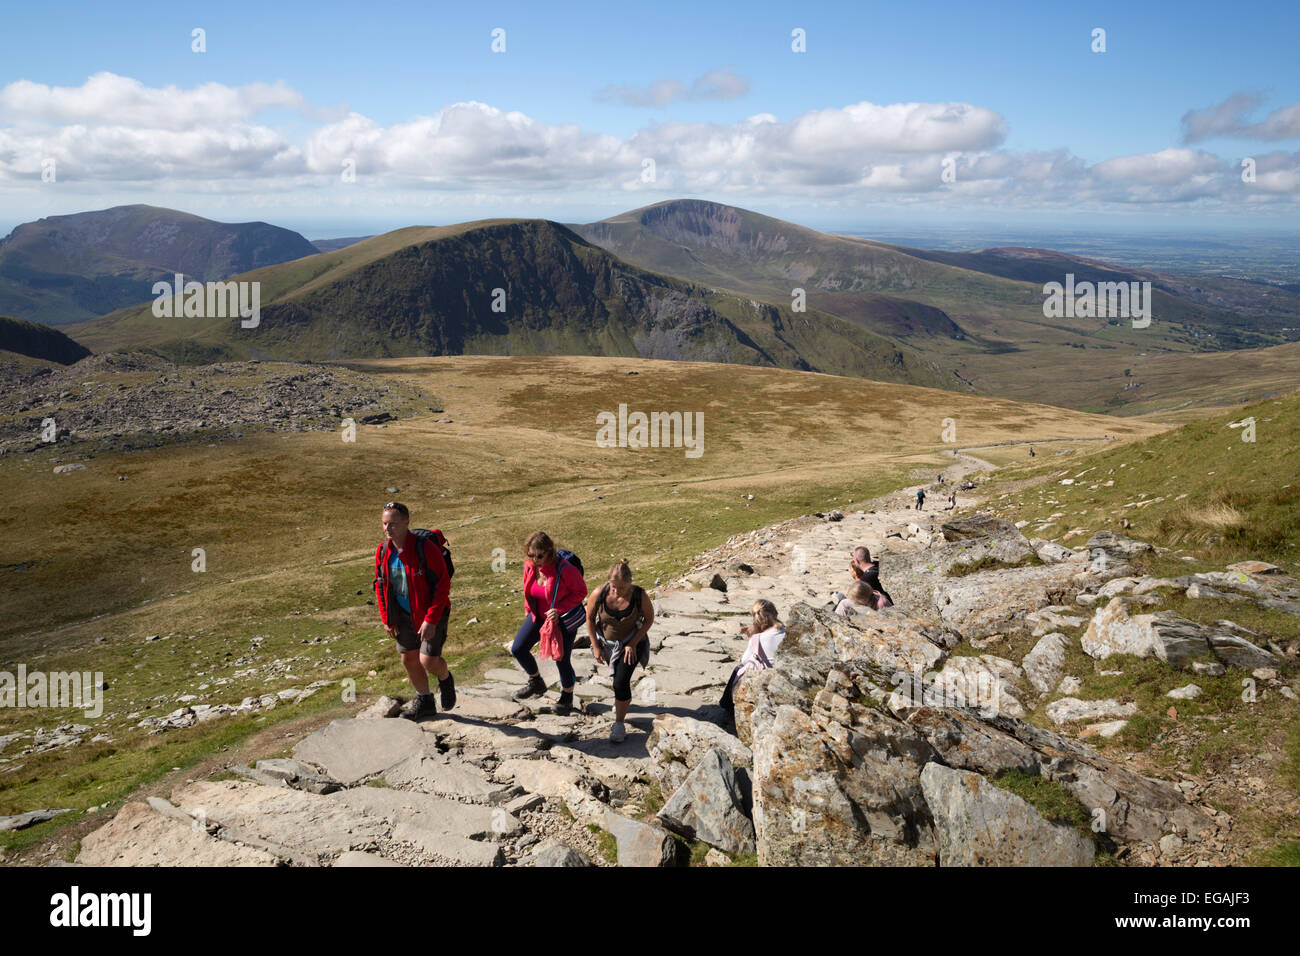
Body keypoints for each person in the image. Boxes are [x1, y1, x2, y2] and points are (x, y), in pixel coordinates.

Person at [373, 501, 455, 720]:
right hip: (402, 614)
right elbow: (380, 585)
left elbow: (442, 585)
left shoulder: (424, 547)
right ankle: (425, 701)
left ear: (406, 522)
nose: (387, 529)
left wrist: (431, 619)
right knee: (408, 658)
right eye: (384, 524)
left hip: (431, 612)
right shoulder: (382, 551)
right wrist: (387, 619)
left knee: (428, 660)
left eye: (393, 524)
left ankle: (445, 679)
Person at [513, 531, 588, 715]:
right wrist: (528, 607)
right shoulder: (530, 566)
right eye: (531, 555)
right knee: (518, 648)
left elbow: (580, 592)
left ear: (549, 552)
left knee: (561, 658)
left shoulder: (564, 569)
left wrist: (559, 609)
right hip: (538, 617)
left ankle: (567, 697)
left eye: (540, 555)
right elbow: (528, 587)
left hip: (560, 620)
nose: (535, 559)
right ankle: (536, 681)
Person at [585, 559, 655, 743]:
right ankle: (621, 703)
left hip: (632, 644)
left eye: (621, 587)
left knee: (620, 682)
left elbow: (649, 619)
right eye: (613, 586)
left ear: (630, 582)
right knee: (618, 681)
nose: (616, 591)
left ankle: (619, 725)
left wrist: (632, 643)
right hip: (607, 645)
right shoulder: (599, 593)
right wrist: (596, 646)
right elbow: (590, 619)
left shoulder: (639, 595)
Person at [718, 600, 785, 718]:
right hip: (783, 674)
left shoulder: (758, 638)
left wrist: (752, 639)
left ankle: (726, 707)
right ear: (775, 613)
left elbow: (745, 660)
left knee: (738, 669)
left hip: (763, 677)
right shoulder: (787, 631)